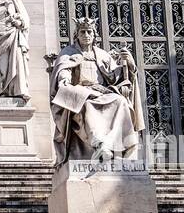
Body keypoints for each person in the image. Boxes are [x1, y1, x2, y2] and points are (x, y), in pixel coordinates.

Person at [50, 17, 142, 165]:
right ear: (77, 35)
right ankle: (99, 143)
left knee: (121, 101)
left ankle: (118, 145)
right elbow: (63, 79)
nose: (86, 35)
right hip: (80, 93)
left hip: (102, 92)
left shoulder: (102, 55)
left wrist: (130, 65)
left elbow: (116, 77)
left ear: (94, 35)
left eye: (89, 32)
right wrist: (75, 87)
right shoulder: (68, 53)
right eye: (82, 32)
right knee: (86, 104)